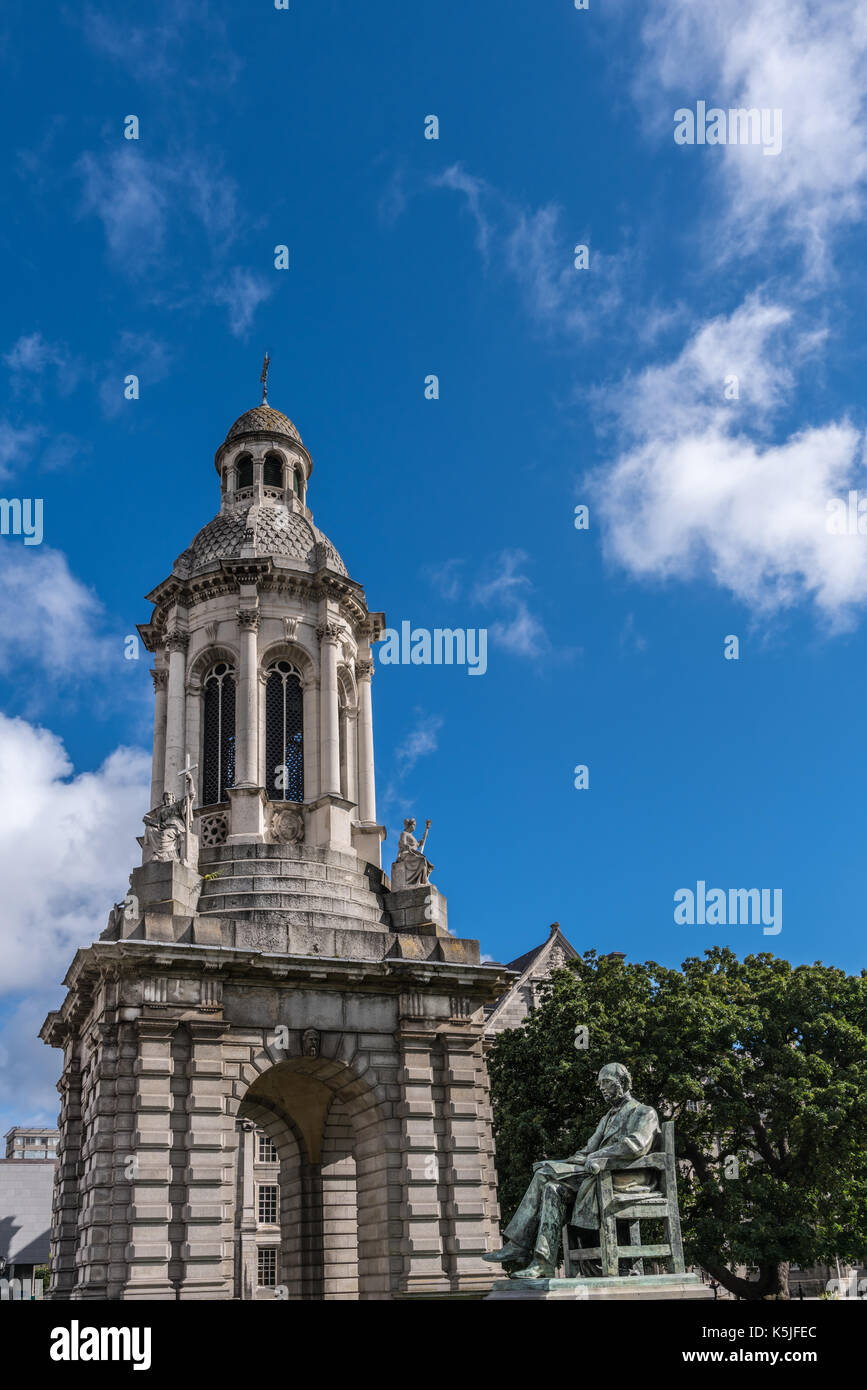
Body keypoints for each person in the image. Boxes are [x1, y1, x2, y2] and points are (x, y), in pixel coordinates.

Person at [484, 1062, 660, 1279]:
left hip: (627, 1177)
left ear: (623, 1082)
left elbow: (635, 1145)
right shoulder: (607, 1117)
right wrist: (560, 1163)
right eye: (599, 1085)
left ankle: (518, 1244)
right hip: (597, 1173)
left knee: (542, 1176)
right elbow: (588, 1150)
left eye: (606, 1082)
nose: (602, 1088)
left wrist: (596, 1157)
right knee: (551, 1187)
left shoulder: (644, 1112)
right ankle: (543, 1262)